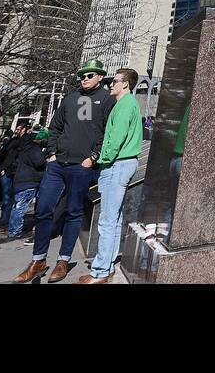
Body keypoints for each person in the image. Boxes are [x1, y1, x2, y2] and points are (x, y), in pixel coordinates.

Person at [14, 58, 114, 284]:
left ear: (100, 76)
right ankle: (38, 260)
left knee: (73, 212)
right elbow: (55, 127)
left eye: (90, 75)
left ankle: (63, 260)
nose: (85, 79)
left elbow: (109, 132)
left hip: (82, 166)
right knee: (43, 209)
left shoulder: (107, 100)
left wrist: (93, 158)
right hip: (57, 164)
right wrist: (51, 154)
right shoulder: (70, 98)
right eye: (82, 75)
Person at [78, 68, 145, 284]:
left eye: (114, 81)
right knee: (114, 220)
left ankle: (100, 272)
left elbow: (115, 140)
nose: (110, 85)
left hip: (116, 164)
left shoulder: (125, 106)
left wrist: (101, 159)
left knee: (107, 221)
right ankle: (106, 267)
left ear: (125, 84)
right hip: (120, 164)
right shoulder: (126, 104)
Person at [6, 128, 48, 238]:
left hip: (21, 181)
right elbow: (39, 162)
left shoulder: (24, 149)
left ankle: (13, 230)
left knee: (17, 207)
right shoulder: (34, 149)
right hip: (29, 182)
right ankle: (14, 231)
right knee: (20, 208)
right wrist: (46, 160)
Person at [0, 124, 29, 234]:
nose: (17, 131)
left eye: (19, 129)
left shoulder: (25, 141)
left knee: (12, 199)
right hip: (7, 171)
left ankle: (6, 222)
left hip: (14, 172)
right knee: (7, 199)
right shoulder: (12, 141)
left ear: (24, 130)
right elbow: (3, 155)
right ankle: (4, 221)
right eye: (17, 129)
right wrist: (2, 168)